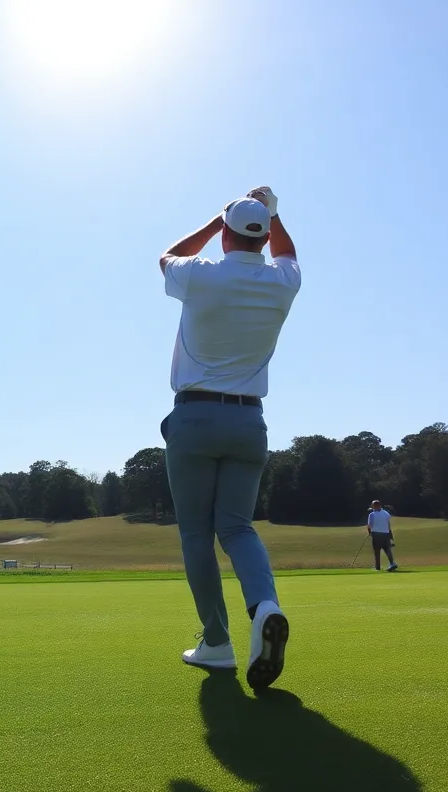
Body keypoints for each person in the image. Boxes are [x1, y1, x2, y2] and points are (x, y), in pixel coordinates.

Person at [158, 186, 300, 690]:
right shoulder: (281, 282)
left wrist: (215, 217)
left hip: (195, 418)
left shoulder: (201, 276)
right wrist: (273, 213)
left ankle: (216, 643)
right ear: (261, 238)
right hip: (249, 423)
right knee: (237, 528)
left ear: (224, 234)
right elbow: (287, 252)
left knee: (197, 533)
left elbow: (167, 256)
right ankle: (264, 607)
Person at [366, 500, 398, 571]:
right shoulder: (386, 513)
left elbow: (369, 526)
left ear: (375, 506)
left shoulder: (372, 514)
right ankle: (392, 563)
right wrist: (390, 535)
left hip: (376, 534)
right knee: (387, 549)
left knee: (377, 551)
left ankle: (378, 567)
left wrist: (369, 532)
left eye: (373, 505)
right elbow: (388, 524)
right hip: (385, 534)